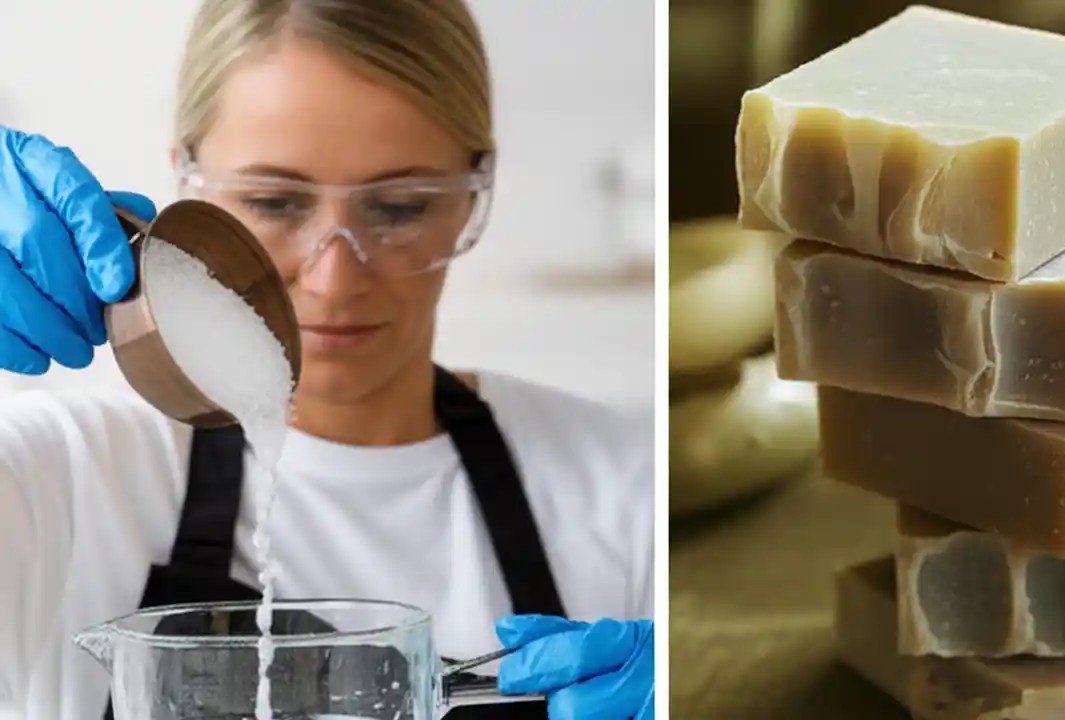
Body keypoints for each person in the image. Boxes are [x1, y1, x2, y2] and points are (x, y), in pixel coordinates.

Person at [0, 1, 654, 719]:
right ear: (188, 179)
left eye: (400, 207)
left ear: (474, 194)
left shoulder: (631, 490)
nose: (335, 280)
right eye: (274, 202)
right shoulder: (59, 481)